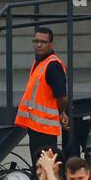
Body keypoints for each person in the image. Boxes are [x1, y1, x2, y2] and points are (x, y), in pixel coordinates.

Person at [14, 27, 69, 164]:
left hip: (45, 128)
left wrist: (60, 112)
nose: (39, 45)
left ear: (51, 44)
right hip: (36, 126)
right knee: (39, 165)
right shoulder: (39, 62)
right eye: (36, 41)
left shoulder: (52, 66)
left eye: (43, 42)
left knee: (46, 166)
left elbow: (62, 97)